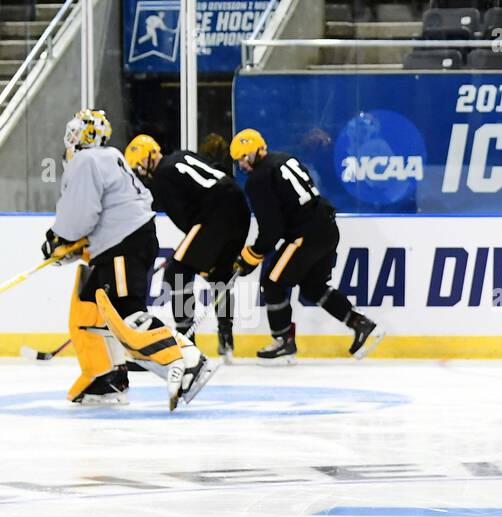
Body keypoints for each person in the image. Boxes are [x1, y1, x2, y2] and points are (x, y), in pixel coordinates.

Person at [44, 108, 216, 410]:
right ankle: (104, 376)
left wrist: (59, 238)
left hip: (122, 245)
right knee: (87, 309)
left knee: (127, 314)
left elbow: (80, 213)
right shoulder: (111, 156)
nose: (69, 139)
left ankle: (187, 359)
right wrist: (74, 243)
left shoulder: (86, 160)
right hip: (122, 242)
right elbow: (108, 210)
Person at [227, 128, 384, 364]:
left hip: (305, 236)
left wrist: (250, 256)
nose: (242, 164)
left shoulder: (259, 179)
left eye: (244, 157)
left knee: (272, 282)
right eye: (237, 160)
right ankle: (360, 324)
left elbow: (271, 230)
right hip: (326, 228)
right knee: (313, 287)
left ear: (257, 151)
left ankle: (283, 343)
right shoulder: (285, 159)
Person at [125, 133, 250, 362]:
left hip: (216, 212)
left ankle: (185, 341)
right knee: (219, 275)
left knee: (176, 272)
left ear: (150, 156)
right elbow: (217, 169)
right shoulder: (180, 156)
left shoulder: (162, 177)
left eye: (140, 165)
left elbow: (186, 219)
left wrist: (190, 251)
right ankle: (226, 337)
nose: (141, 171)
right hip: (239, 207)